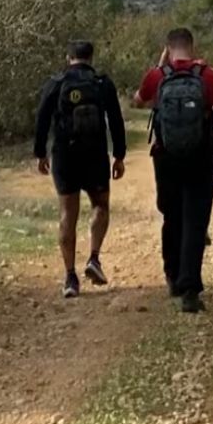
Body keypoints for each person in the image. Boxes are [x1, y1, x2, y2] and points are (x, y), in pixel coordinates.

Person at [134, 28, 213, 313]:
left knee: (172, 215)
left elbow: (137, 101)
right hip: (200, 157)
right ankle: (190, 288)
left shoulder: (157, 76)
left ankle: (172, 277)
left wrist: (158, 66)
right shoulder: (208, 76)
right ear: (193, 45)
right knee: (195, 219)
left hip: (165, 157)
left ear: (167, 47)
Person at [34, 40, 126, 300]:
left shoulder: (57, 82)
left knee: (67, 213)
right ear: (91, 57)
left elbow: (42, 118)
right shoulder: (101, 82)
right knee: (100, 205)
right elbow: (116, 120)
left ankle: (70, 277)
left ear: (68, 57)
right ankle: (94, 258)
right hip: (94, 154)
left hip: (65, 154)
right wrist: (119, 155)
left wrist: (40, 153)